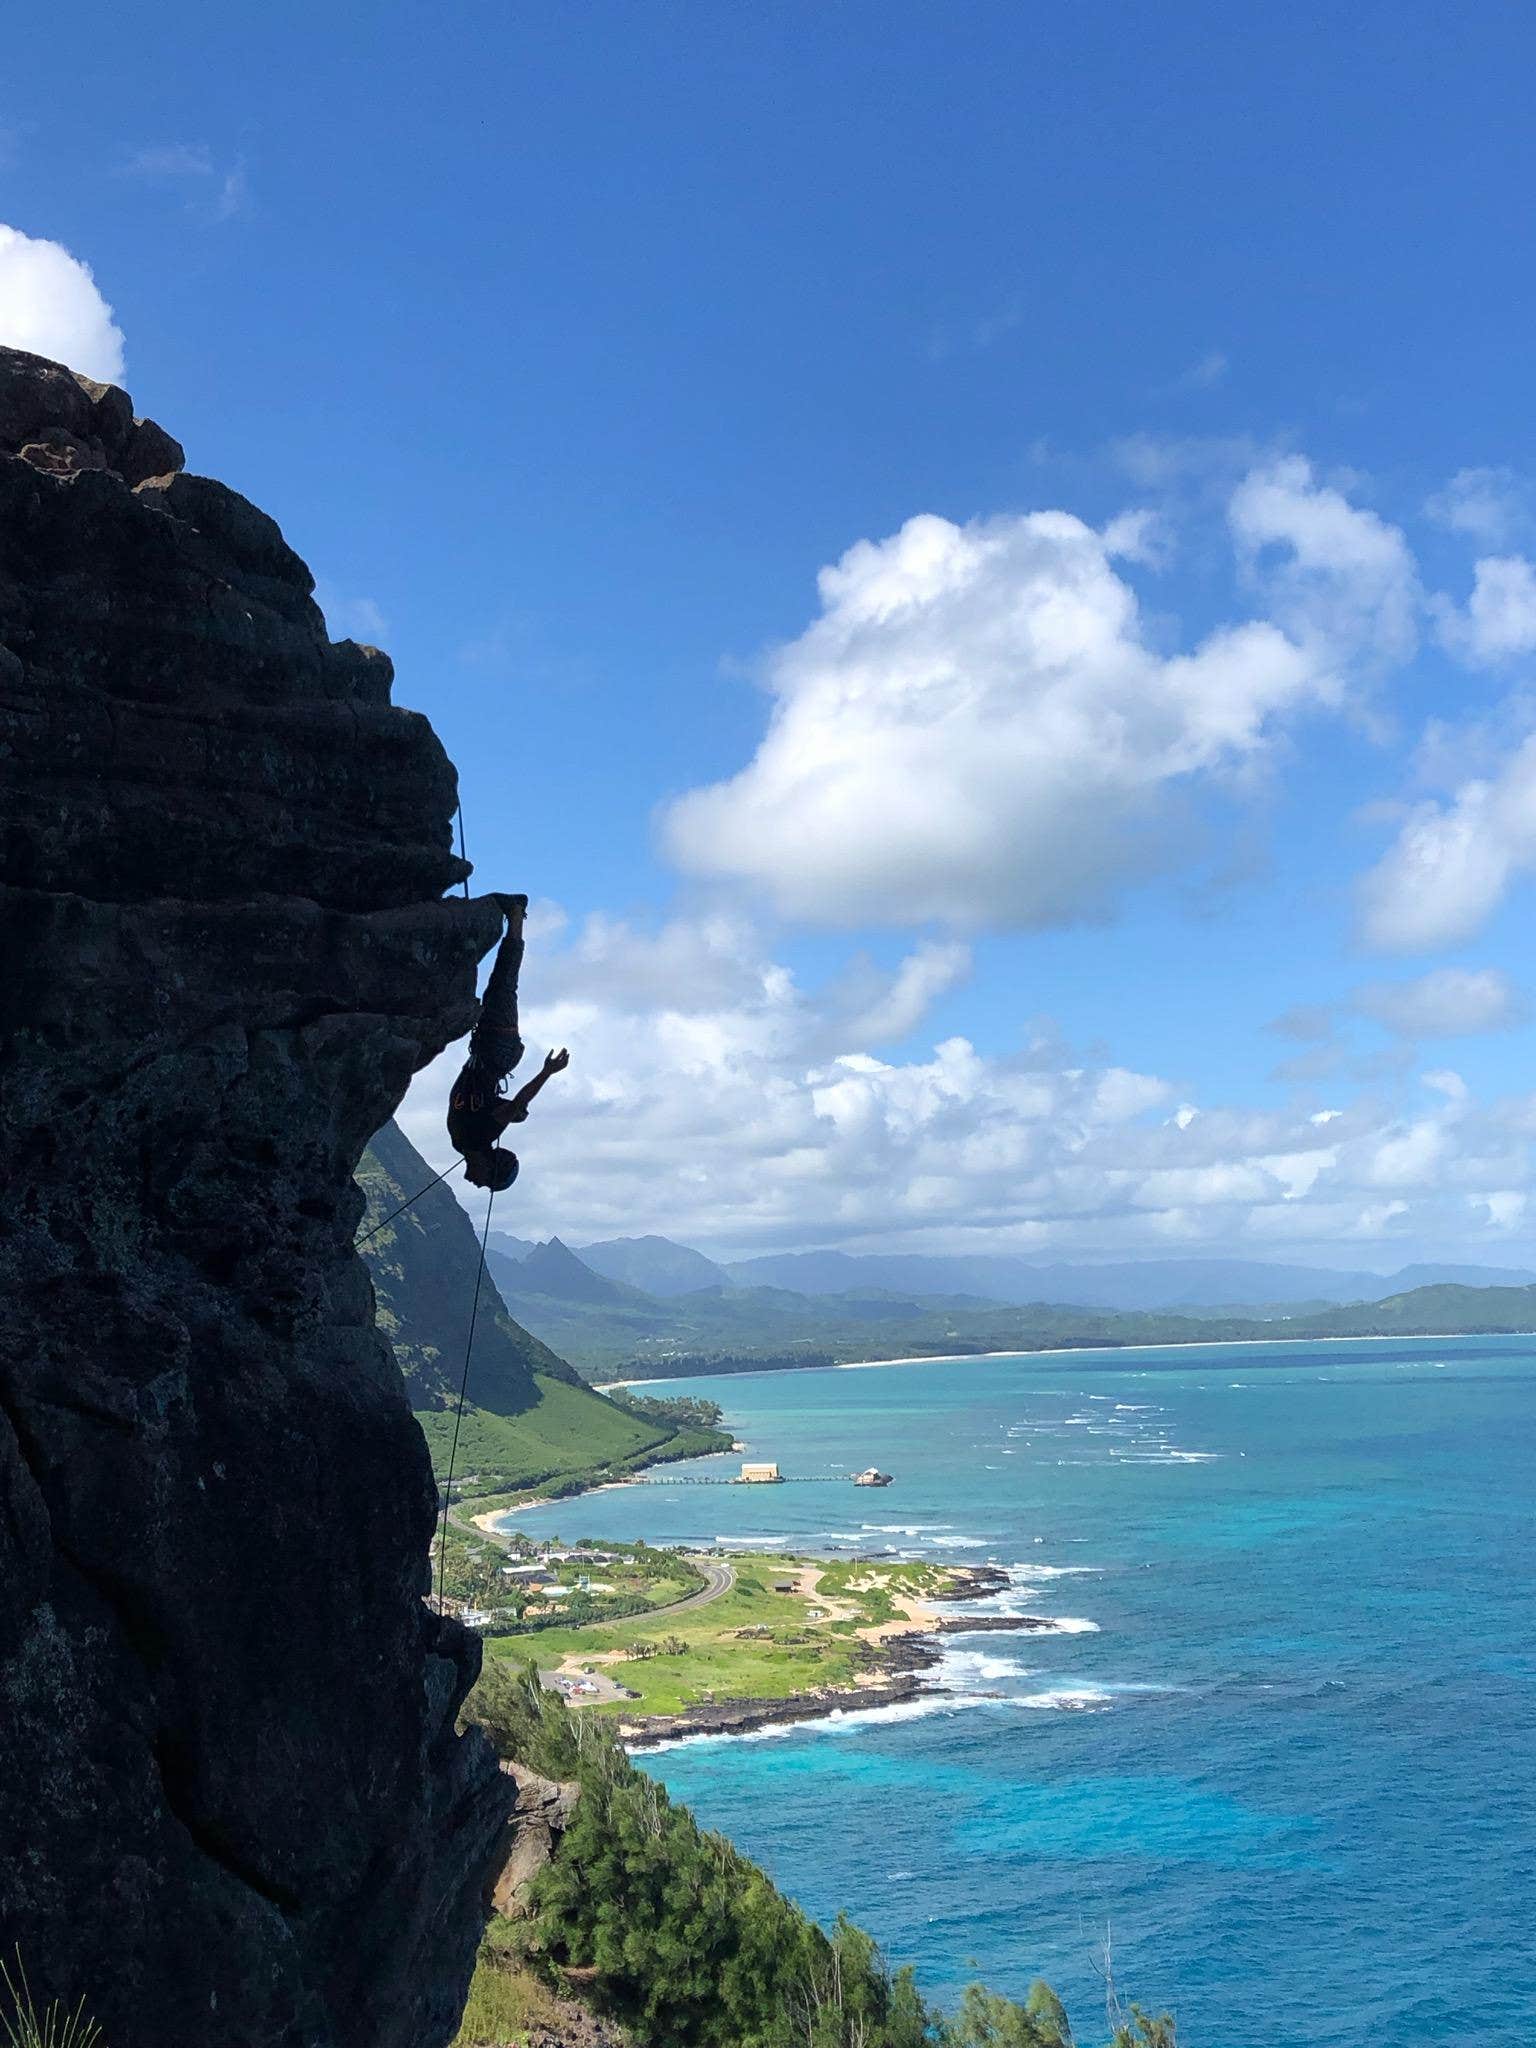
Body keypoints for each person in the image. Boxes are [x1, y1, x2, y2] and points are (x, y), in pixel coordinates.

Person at [447, 893, 569, 1190]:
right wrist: (546, 1073)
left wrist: (516, 1113)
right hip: (497, 1044)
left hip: (488, 1046)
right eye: (486, 1181)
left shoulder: (463, 1143)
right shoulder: (485, 1132)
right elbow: (519, 1103)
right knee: (504, 980)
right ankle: (516, 913)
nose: (477, 1184)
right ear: (491, 1166)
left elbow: (511, 1108)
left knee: (492, 982)